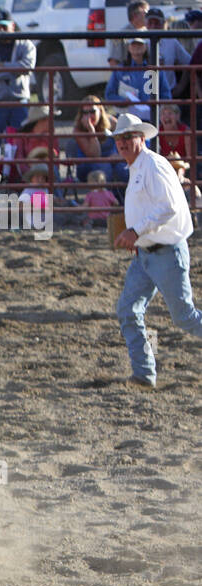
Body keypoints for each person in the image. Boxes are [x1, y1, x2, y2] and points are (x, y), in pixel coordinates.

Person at [110, 113, 202, 388]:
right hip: (148, 253)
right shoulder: (141, 165)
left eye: (128, 137)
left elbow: (168, 208)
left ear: (141, 138)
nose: (123, 143)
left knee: (185, 317)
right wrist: (138, 237)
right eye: (119, 138)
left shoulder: (152, 165)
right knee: (128, 309)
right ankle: (144, 374)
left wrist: (136, 231)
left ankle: (145, 372)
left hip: (166, 253)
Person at [0, 13, 36, 137]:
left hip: (18, 99)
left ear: (12, 26)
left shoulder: (25, 43)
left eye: (4, 27)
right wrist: (15, 68)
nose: (1, 30)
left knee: (22, 138)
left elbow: (28, 67)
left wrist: (2, 66)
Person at [106, 37, 170, 122]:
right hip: (127, 118)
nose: (136, 47)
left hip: (150, 117)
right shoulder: (120, 70)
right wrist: (123, 101)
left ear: (146, 46)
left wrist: (156, 102)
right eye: (133, 44)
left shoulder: (155, 69)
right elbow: (109, 94)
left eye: (140, 44)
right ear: (128, 47)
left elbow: (166, 95)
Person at [108, 0, 149, 69]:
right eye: (145, 12)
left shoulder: (149, 32)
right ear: (135, 15)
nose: (148, 16)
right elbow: (113, 62)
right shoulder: (120, 35)